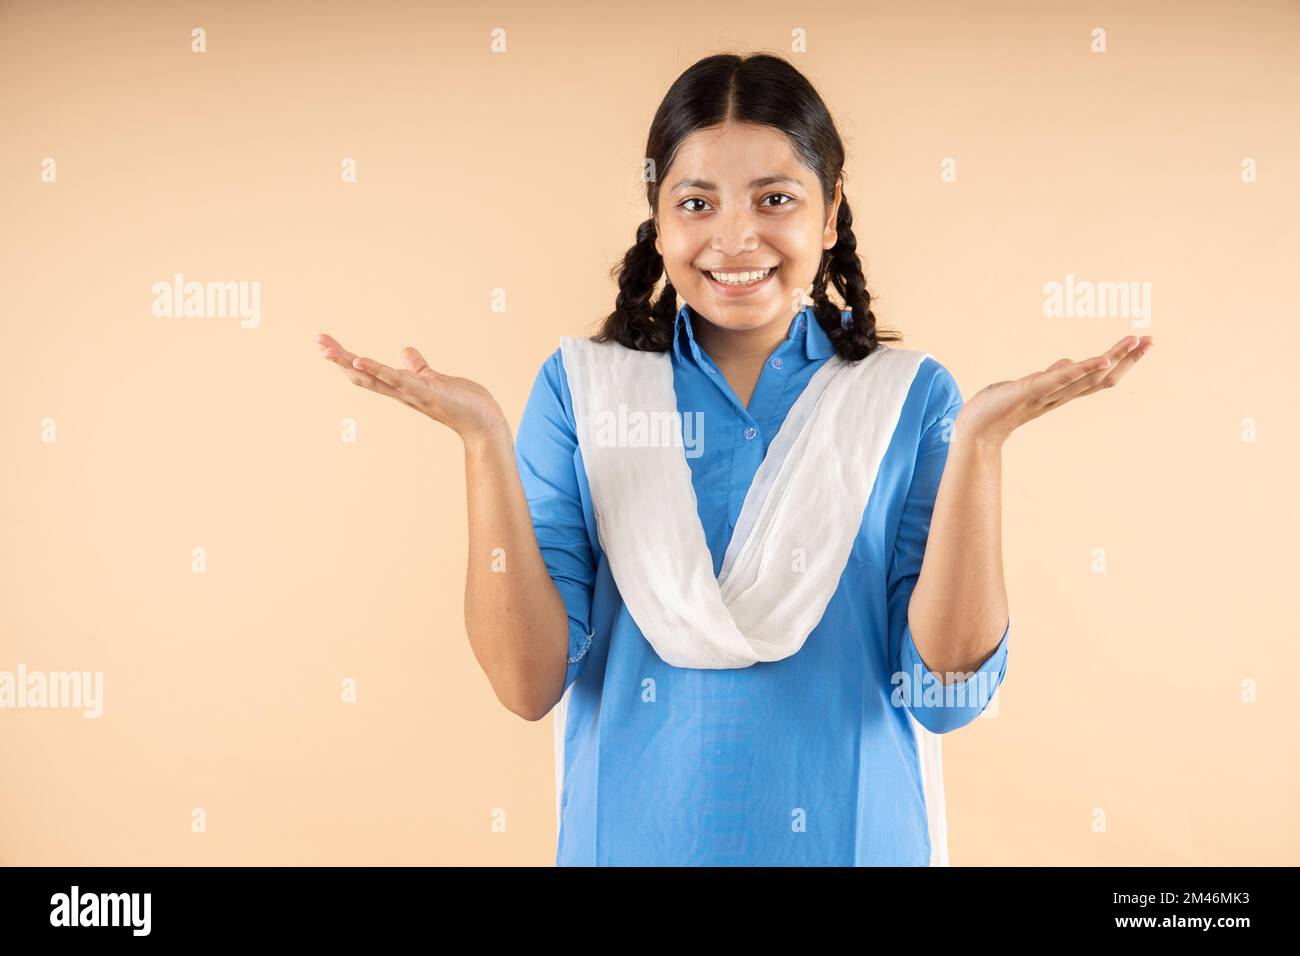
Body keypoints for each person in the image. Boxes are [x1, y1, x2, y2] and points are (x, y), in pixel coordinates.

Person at [316, 52, 1153, 866]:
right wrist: (483, 443)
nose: (735, 237)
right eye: (696, 203)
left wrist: (980, 447)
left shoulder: (911, 399)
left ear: (829, 215)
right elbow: (527, 685)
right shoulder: (582, 392)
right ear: (659, 217)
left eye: (775, 198)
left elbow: (946, 700)